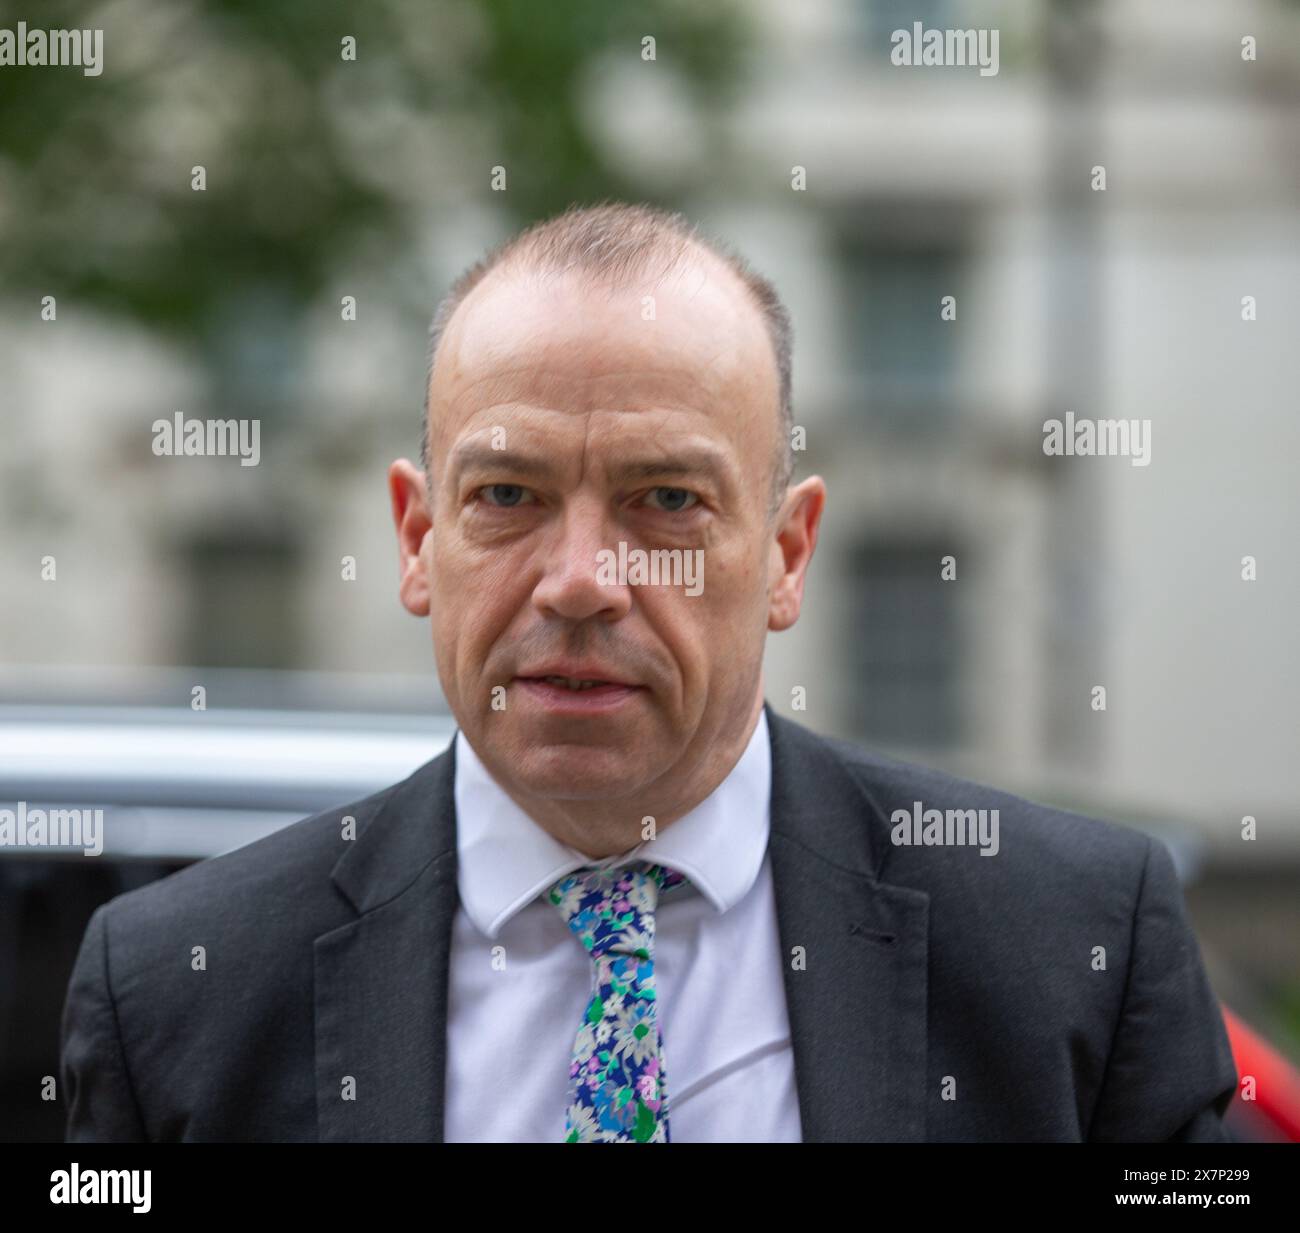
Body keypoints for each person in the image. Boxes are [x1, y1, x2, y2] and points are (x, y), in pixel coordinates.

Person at [61, 200, 1237, 1142]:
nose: (581, 579)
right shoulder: (176, 989)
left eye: (664, 500)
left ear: (785, 555)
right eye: (508, 497)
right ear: (420, 540)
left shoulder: (1073, 949)